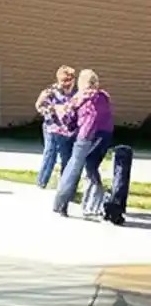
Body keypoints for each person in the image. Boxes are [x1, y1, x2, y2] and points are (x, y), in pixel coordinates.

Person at [52, 69, 114, 217]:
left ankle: (61, 203)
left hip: (87, 134)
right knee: (92, 167)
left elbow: (68, 117)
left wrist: (65, 121)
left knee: (73, 167)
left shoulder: (80, 96)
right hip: (105, 135)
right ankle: (93, 204)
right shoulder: (104, 96)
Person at [34, 66, 78, 189]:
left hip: (68, 129)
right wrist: (53, 109)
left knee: (67, 156)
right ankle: (42, 181)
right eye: (65, 80)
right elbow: (39, 105)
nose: (67, 83)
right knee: (50, 153)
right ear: (59, 79)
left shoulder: (76, 94)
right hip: (52, 127)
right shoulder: (51, 92)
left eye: (70, 80)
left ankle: (64, 185)